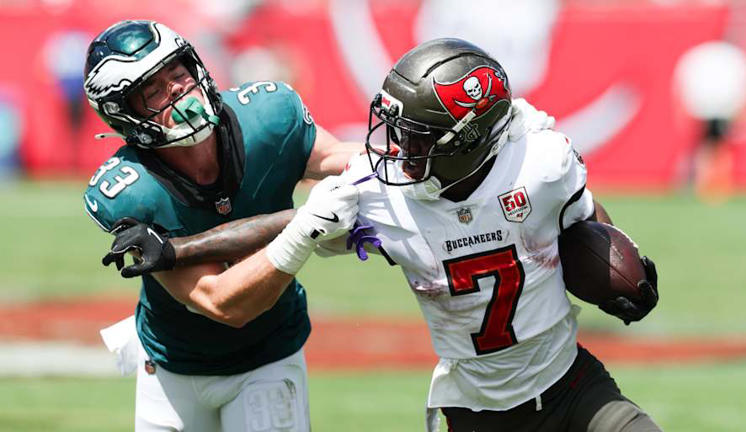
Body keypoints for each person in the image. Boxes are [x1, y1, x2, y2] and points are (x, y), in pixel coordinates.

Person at [103, 39, 661, 431]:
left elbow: (585, 219)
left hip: (572, 384)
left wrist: (622, 269)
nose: (396, 148)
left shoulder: (539, 160)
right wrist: (176, 249)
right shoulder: (386, 193)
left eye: (416, 137)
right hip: (476, 410)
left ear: (466, 140)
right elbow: (287, 224)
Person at [83, 20, 361, 431]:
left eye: (177, 72)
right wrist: (306, 225)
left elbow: (341, 158)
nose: (176, 90)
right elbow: (223, 303)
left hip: (268, 355)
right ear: (125, 115)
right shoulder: (131, 190)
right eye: (153, 90)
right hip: (172, 365)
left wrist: (400, 160)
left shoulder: (266, 115)